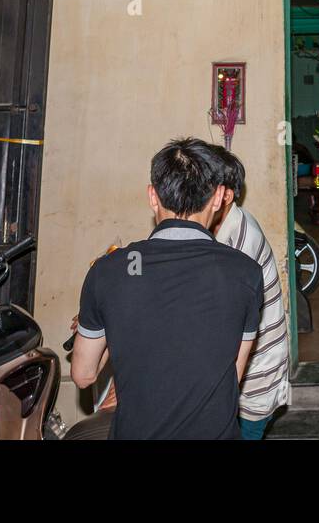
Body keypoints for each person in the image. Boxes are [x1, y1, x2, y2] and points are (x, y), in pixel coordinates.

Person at [71, 138, 263, 439]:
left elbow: (83, 376)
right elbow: (232, 375)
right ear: (216, 197)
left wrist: (113, 323)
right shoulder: (245, 272)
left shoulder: (108, 271)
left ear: (152, 196)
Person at [212, 159, 291, 440]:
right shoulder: (225, 229)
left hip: (253, 379)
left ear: (225, 196)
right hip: (245, 379)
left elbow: (222, 325)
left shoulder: (237, 242)